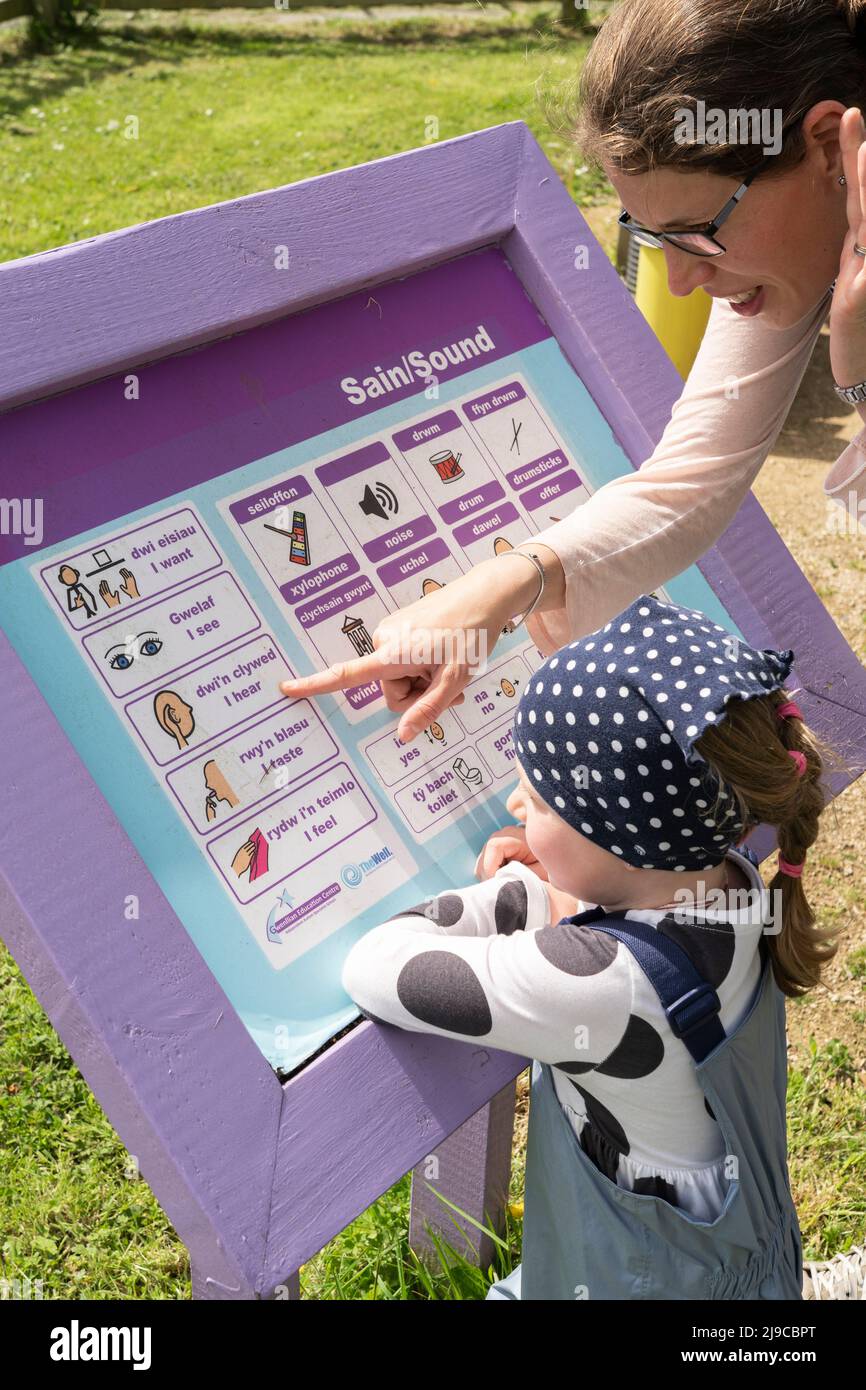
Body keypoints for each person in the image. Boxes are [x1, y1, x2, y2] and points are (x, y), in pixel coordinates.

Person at [279, 0, 866, 751]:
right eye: (651, 236)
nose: (681, 281)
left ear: (824, 146)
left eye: (696, 234)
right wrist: (497, 590)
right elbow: (688, 483)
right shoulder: (781, 234)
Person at [342, 595, 848, 1300]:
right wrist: (570, 871)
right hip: (750, 1271)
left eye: (543, 803)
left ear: (622, 843)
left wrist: (515, 892)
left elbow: (375, 967)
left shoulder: (596, 986)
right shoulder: (726, 879)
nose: (517, 808)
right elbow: (630, 903)